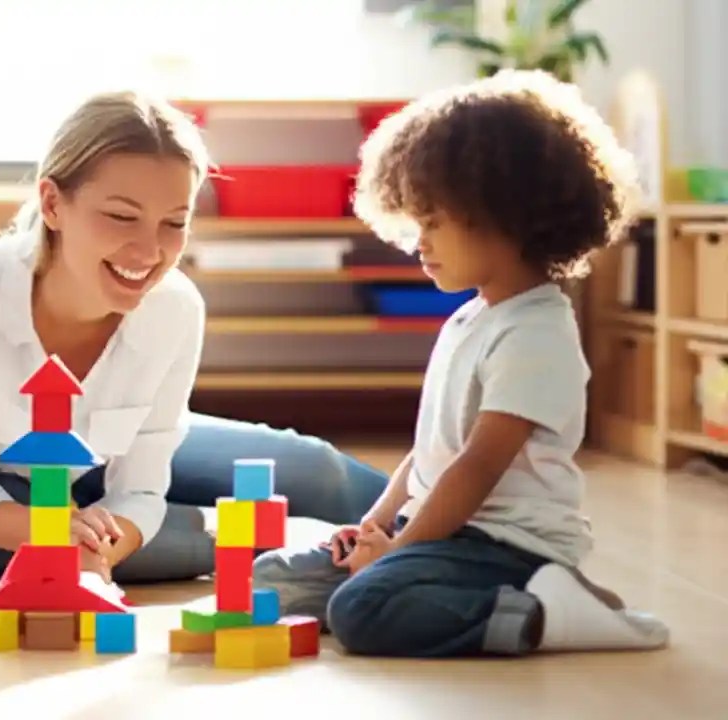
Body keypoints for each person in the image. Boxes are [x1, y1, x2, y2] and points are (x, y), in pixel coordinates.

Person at [0, 90, 388, 586]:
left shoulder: (174, 307)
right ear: (53, 204)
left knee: (315, 473)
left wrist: (109, 537)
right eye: (121, 217)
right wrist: (76, 540)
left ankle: (425, 537)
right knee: (198, 539)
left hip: (92, 461)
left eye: (173, 223)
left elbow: (140, 486)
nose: (148, 252)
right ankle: (341, 552)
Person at [252, 70, 670, 657]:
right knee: (273, 578)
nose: (418, 241)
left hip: (502, 548)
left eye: (433, 223)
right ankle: (418, 587)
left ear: (504, 214)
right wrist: (375, 525)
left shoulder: (536, 333)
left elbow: (476, 467)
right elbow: (431, 454)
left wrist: (398, 553)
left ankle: (552, 609)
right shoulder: (473, 318)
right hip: (443, 532)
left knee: (360, 610)